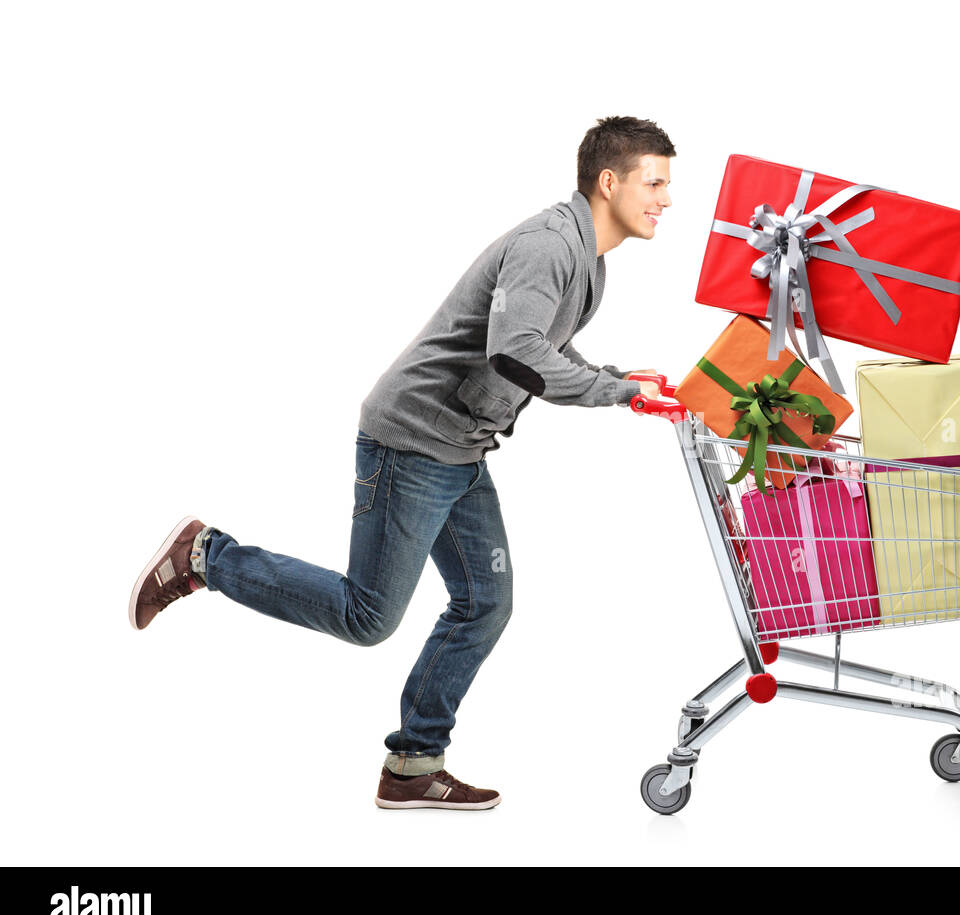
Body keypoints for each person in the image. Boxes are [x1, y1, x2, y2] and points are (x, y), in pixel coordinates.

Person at [128, 116, 675, 810]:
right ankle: (207, 557)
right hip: (414, 440)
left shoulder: (588, 262)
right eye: (654, 181)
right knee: (368, 616)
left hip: (460, 446)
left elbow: (538, 348)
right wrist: (619, 393)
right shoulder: (548, 247)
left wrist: (620, 376)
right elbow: (515, 353)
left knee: (485, 603)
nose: (664, 199)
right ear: (609, 181)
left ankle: (414, 763)